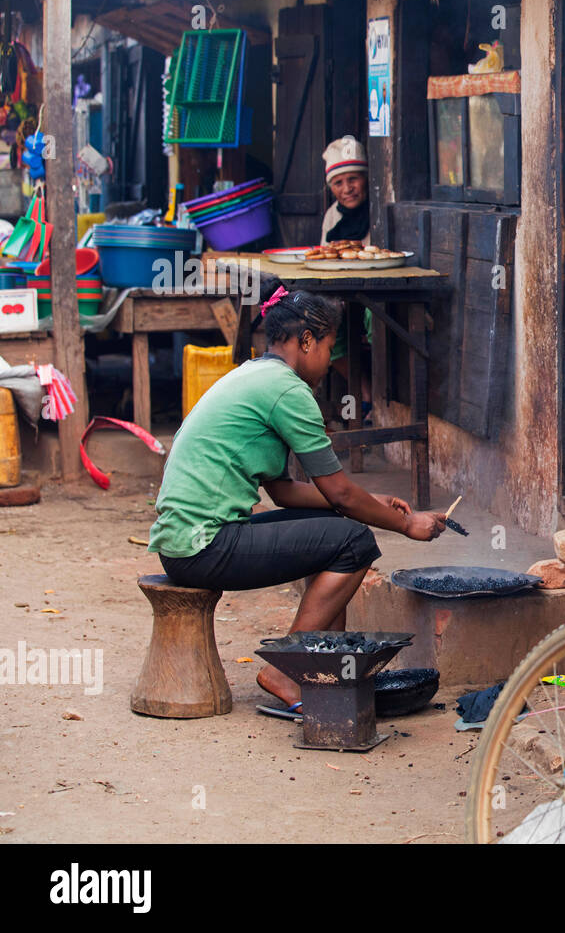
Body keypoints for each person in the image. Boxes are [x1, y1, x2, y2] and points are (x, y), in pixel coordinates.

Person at [148, 284, 446, 714]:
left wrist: (370, 500)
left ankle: (328, 672)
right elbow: (338, 492)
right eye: (328, 347)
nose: (328, 360)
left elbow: (283, 490)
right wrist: (404, 523)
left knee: (337, 538)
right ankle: (284, 670)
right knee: (354, 542)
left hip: (186, 541)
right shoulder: (288, 391)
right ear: (306, 341)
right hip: (202, 546)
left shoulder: (256, 375)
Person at [320, 135, 372, 408]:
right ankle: (365, 393)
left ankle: (388, 397)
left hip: (373, 292)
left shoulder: (378, 210)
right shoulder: (332, 217)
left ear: (366, 178)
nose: (347, 188)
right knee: (319, 326)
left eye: (354, 179)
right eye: (338, 183)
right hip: (340, 293)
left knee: (379, 322)